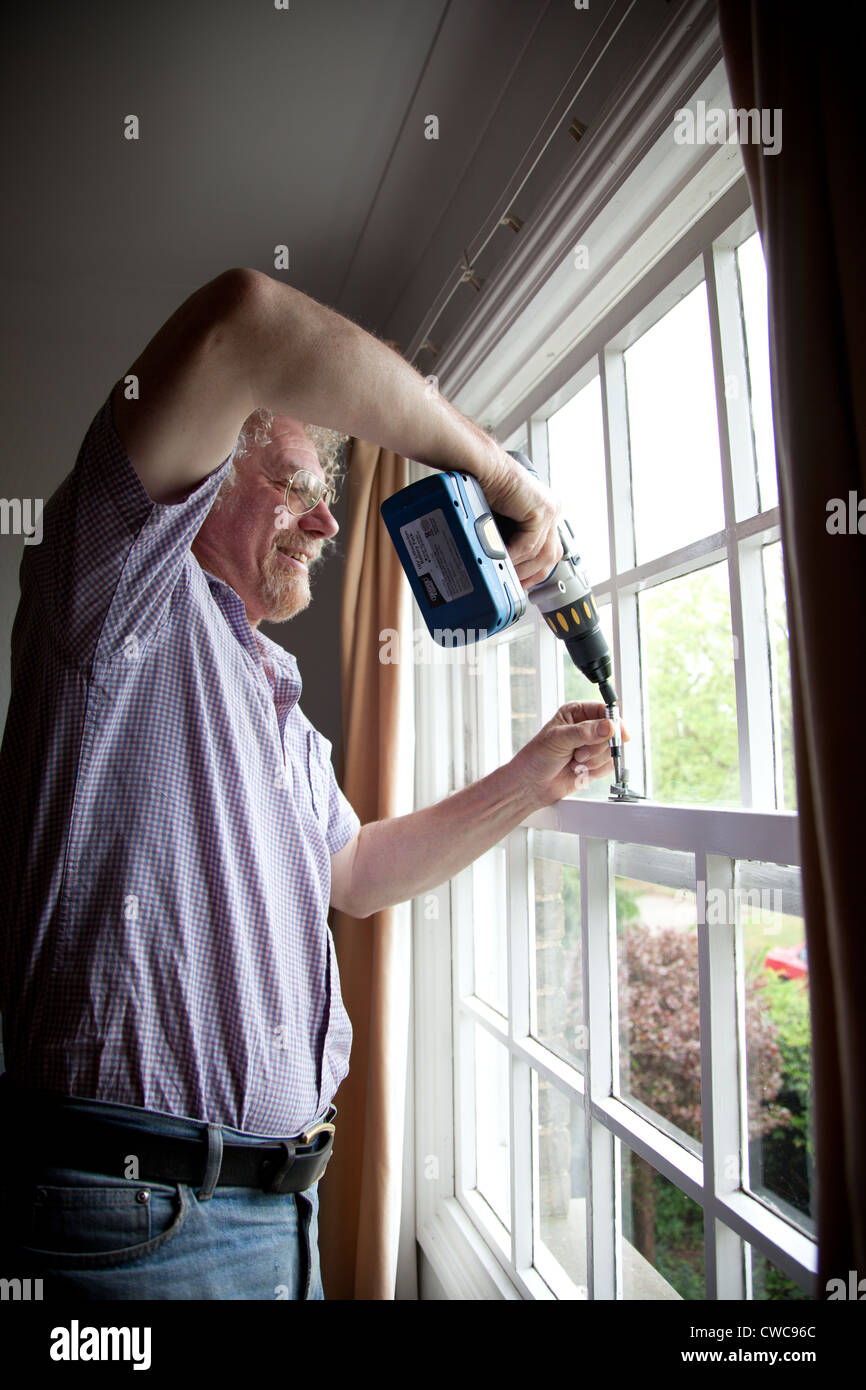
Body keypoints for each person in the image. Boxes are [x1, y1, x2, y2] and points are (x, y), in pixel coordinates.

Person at [0, 268, 618, 1300]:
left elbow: (357, 872)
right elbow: (244, 324)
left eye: (324, 496)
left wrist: (529, 778)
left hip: (273, 1211)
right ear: (199, 479)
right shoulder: (110, 596)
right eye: (290, 484)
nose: (325, 525)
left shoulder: (269, 685)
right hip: (132, 1218)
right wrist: (507, 483)